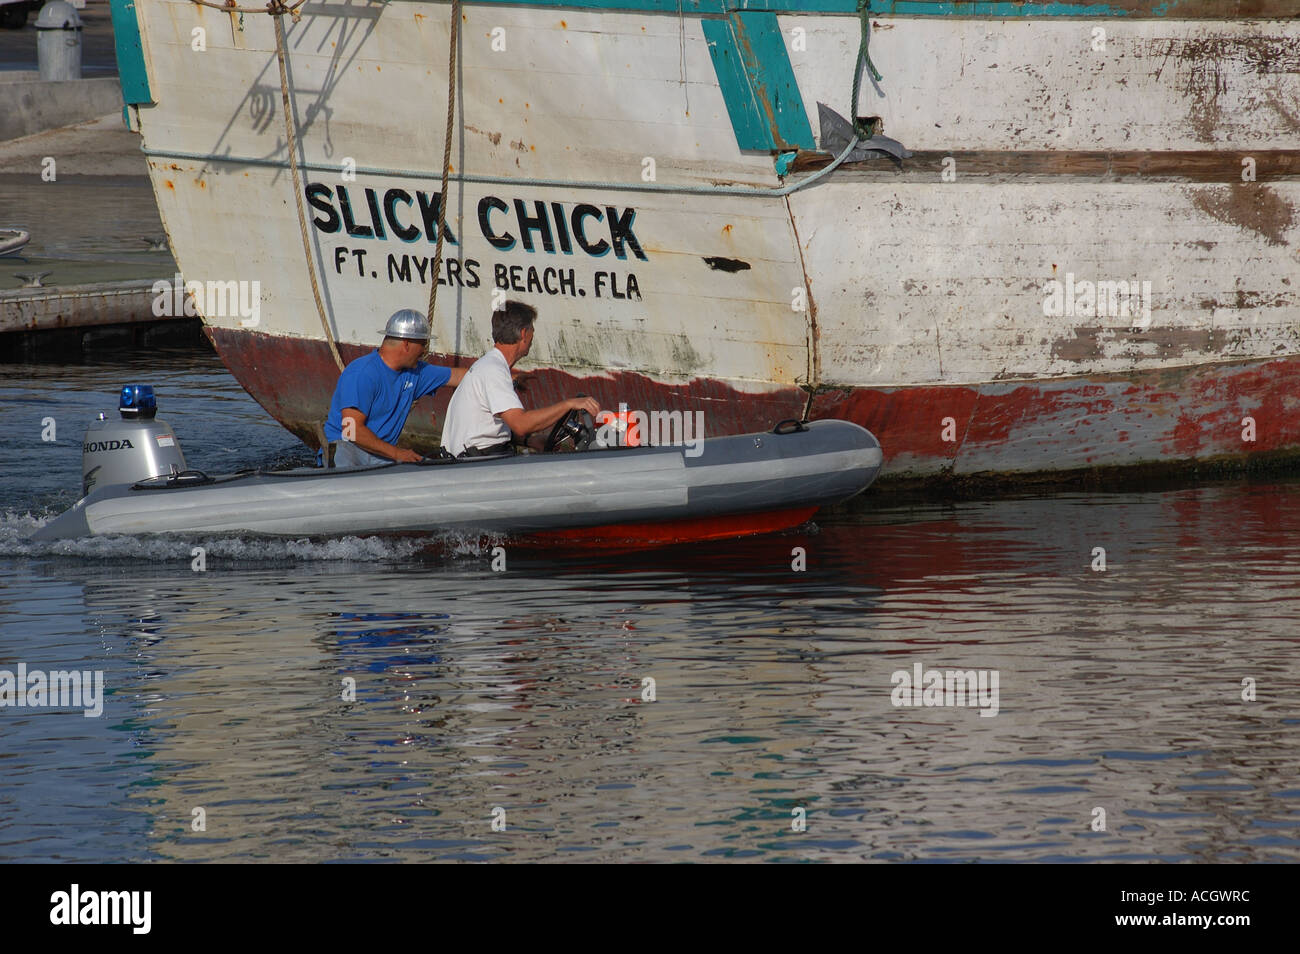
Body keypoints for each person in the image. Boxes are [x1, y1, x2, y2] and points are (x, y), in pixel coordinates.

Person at [441, 300, 600, 457]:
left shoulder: (487, 365)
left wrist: (530, 441)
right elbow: (520, 424)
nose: (532, 337)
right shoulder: (493, 370)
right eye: (532, 330)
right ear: (524, 334)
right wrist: (569, 404)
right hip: (478, 463)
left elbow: (489, 427)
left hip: (479, 459)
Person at [322, 308, 467, 467]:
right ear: (406, 344)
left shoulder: (416, 373)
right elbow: (351, 430)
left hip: (381, 454)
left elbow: (461, 376)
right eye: (423, 344)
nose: (425, 351)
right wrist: (398, 454)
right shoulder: (362, 373)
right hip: (347, 449)